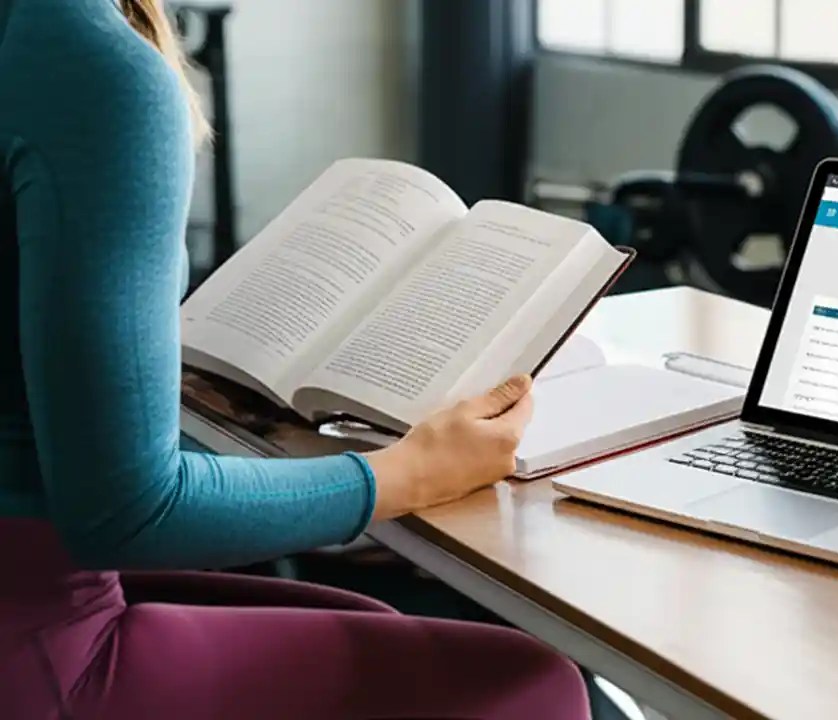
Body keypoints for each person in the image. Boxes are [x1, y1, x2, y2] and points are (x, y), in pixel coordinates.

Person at [0, 1, 590, 718]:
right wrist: (405, 474)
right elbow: (126, 511)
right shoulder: (95, 68)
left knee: (374, 624)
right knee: (532, 688)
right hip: (42, 650)